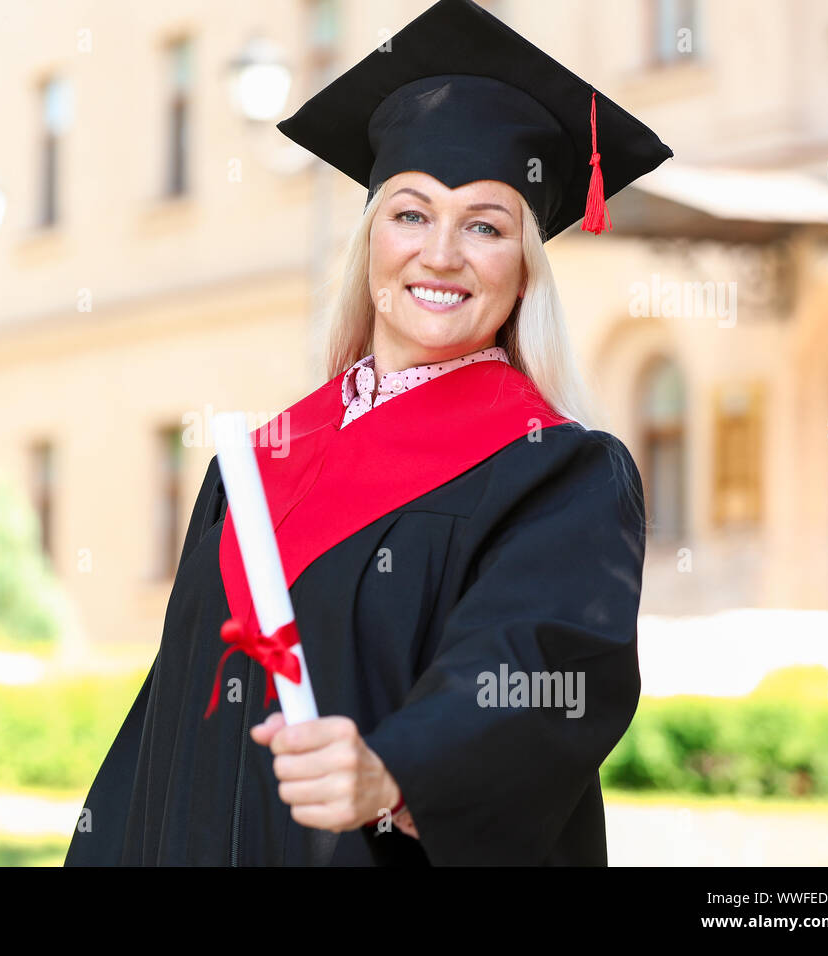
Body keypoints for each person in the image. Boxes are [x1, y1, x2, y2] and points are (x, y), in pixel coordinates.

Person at [64, 0, 673, 866]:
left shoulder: (559, 474)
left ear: (525, 269)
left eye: (487, 226)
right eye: (412, 214)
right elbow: (172, 715)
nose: (441, 254)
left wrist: (396, 774)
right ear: (371, 240)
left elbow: (543, 667)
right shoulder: (252, 465)